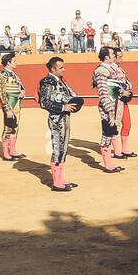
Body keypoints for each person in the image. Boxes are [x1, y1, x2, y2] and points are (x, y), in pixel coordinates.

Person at [38, 56, 81, 192]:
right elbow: (44, 102)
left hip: (64, 118)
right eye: (61, 67)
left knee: (63, 148)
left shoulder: (60, 81)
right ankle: (56, 182)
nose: (64, 69)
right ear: (53, 68)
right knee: (57, 148)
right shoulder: (47, 82)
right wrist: (63, 108)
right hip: (56, 118)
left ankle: (61, 178)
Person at [92, 47, 127, 173]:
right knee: (107, 134)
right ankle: (108, 165)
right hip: (108, 107)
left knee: (112, 131)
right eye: (112, 54)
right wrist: (109, 111)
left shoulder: (110, 68)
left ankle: (110, 163)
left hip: (115, 104)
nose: (114, 55)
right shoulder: (101, 71)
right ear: (106, 57)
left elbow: (118, 85)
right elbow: (102, 93)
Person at [0, 52, 25, 161]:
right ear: (8, 62)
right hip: (9, 103)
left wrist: (22, 92)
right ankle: (6, 153)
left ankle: (12, 150)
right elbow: (1, 93)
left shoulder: (14, 74)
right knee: (8, 127)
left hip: (17, 102)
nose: (16, 63)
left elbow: (20, 87)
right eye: (14, 61)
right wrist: (7, 108)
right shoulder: (1, 75)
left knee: (15, 126)